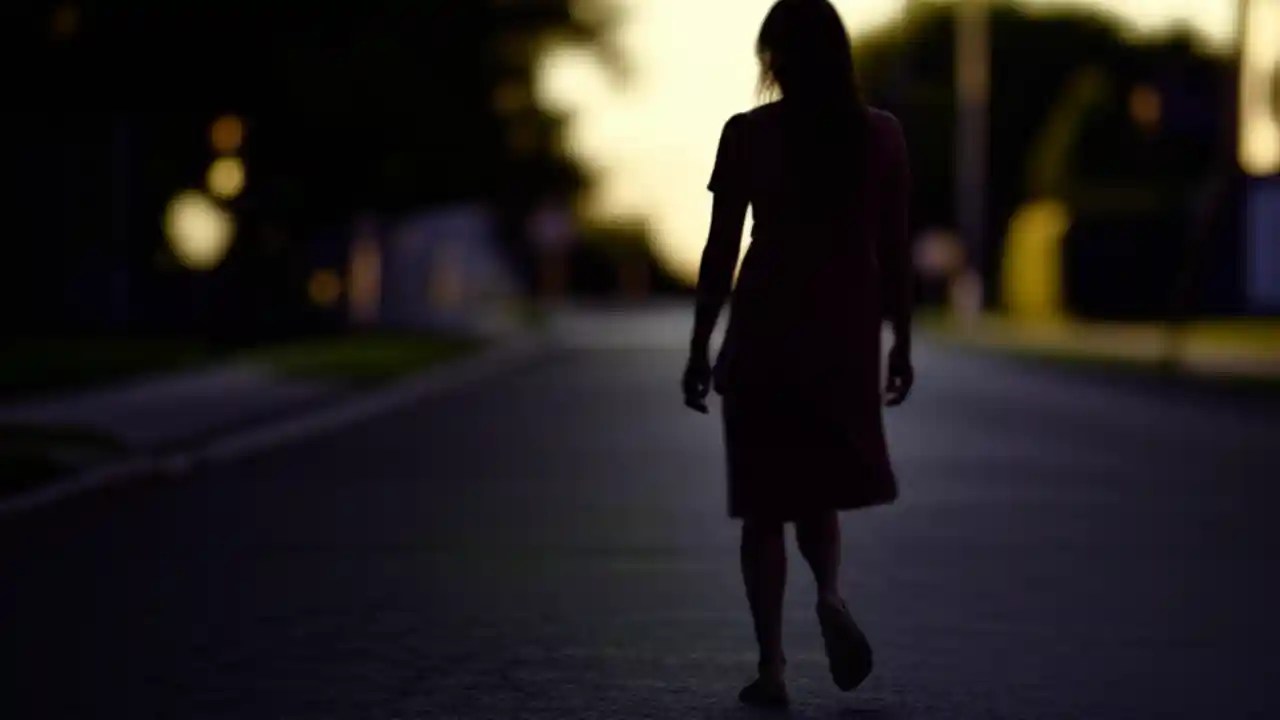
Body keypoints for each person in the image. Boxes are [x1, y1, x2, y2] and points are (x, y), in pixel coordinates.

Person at [681, 0, 914, 708]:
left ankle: (773, 667)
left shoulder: (748, 134)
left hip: (766, 323)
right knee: (816, 487)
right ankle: (831, 595)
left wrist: (699, 346)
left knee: (764, 504)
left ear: (772, 59)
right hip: (844, 330)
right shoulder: (881, 135)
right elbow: (895, 250)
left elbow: (721, 250)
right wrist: (901, 341)